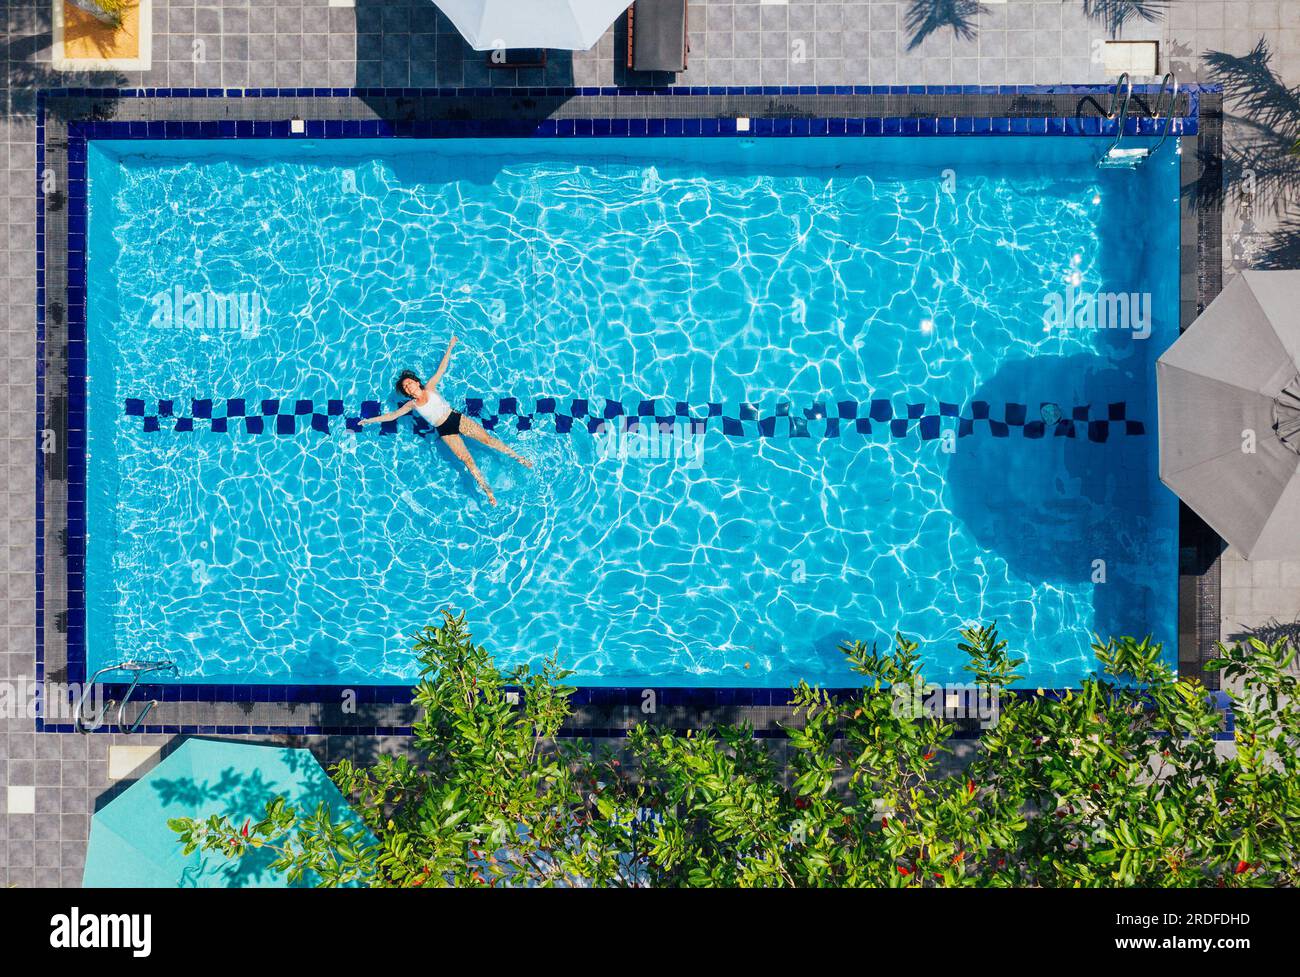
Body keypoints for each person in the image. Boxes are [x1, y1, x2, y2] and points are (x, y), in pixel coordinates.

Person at [359, 336, 531, 505]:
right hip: (445, 431)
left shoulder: (430, 387)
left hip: (456, 418)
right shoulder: (411, 405)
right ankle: (488, 491)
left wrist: (450, 347)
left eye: (410, 383)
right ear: (407, 392)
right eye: (405, 387)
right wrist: (369, 421)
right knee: (468, 461)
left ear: (417, 383)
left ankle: (518, 458)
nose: (408, 386)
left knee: (488, 440)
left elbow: (441, 369)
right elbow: (392, 415)